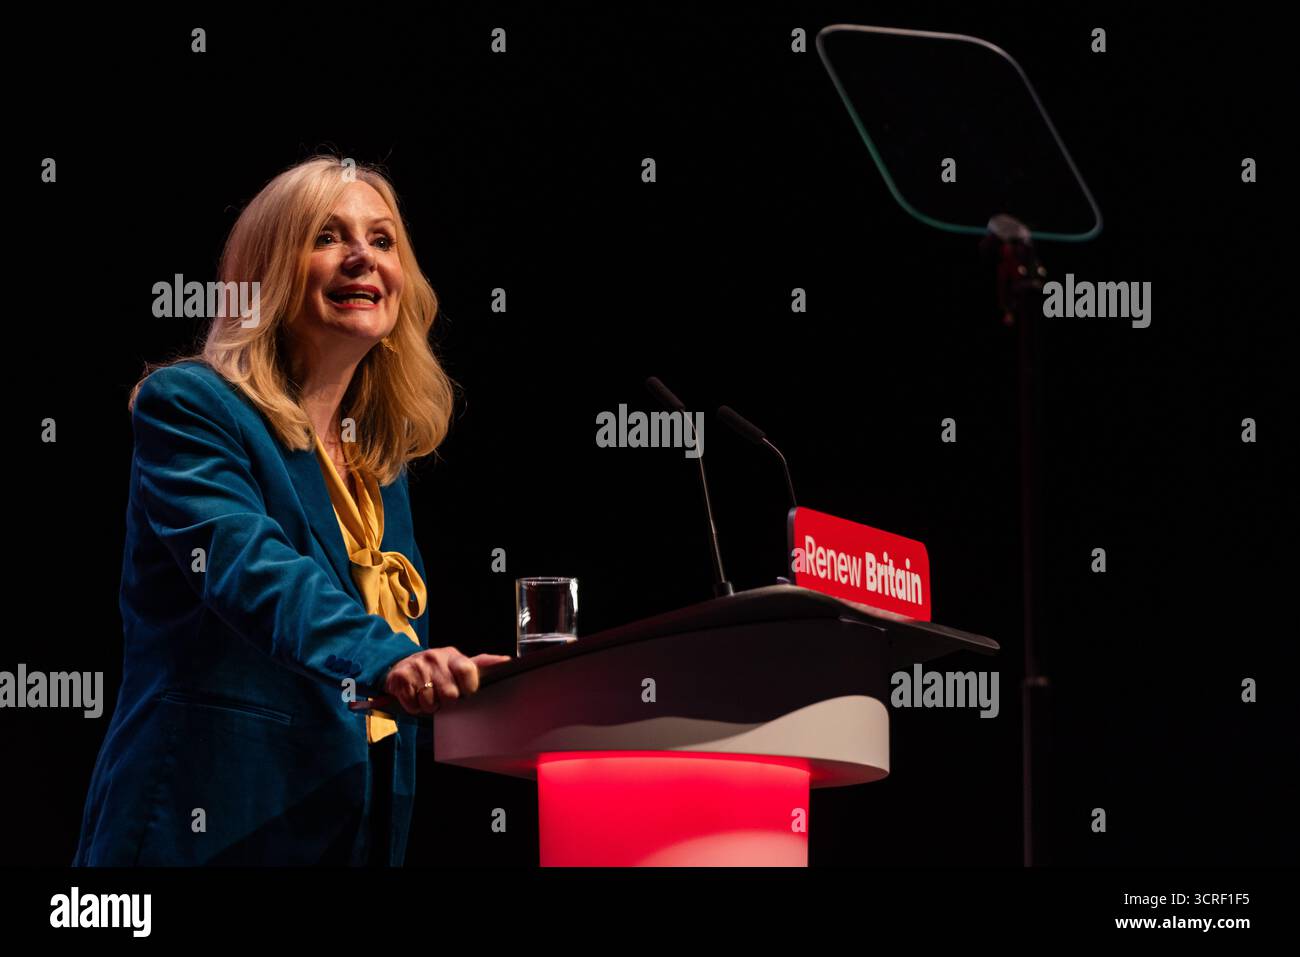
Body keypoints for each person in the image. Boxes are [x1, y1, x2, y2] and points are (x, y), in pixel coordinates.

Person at [73, 155, 510, 866]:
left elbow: (390, 666)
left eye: (383, 239)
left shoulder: (377, 459)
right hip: (209, 820)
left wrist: (492, 701)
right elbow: (252, 569)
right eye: (328, 236)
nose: (362, 256)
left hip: (348, 823)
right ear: (271, 270)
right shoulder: (190, 406)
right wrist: (395, 661)